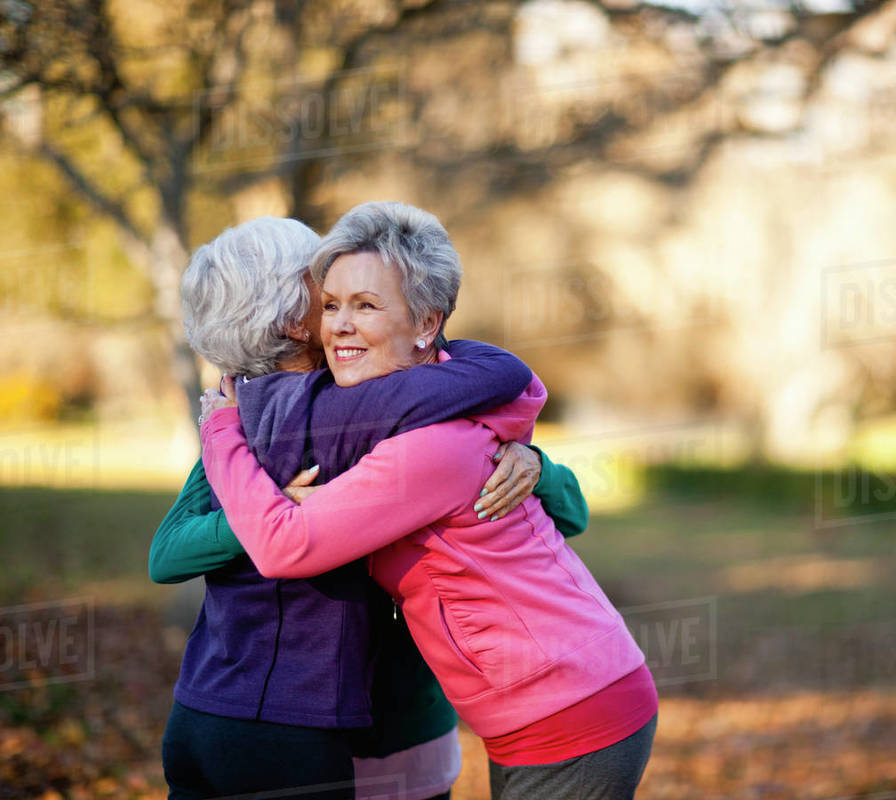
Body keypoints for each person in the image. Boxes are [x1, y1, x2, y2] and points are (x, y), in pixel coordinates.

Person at [199, 201, 657, 800]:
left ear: (424, 324)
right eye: (331, 305)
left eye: (366, 305)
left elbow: (283, 545)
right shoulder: (415, 406)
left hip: (570, 707)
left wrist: (220, 428)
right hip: (542, 706)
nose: (338, 325)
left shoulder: (429, 447)